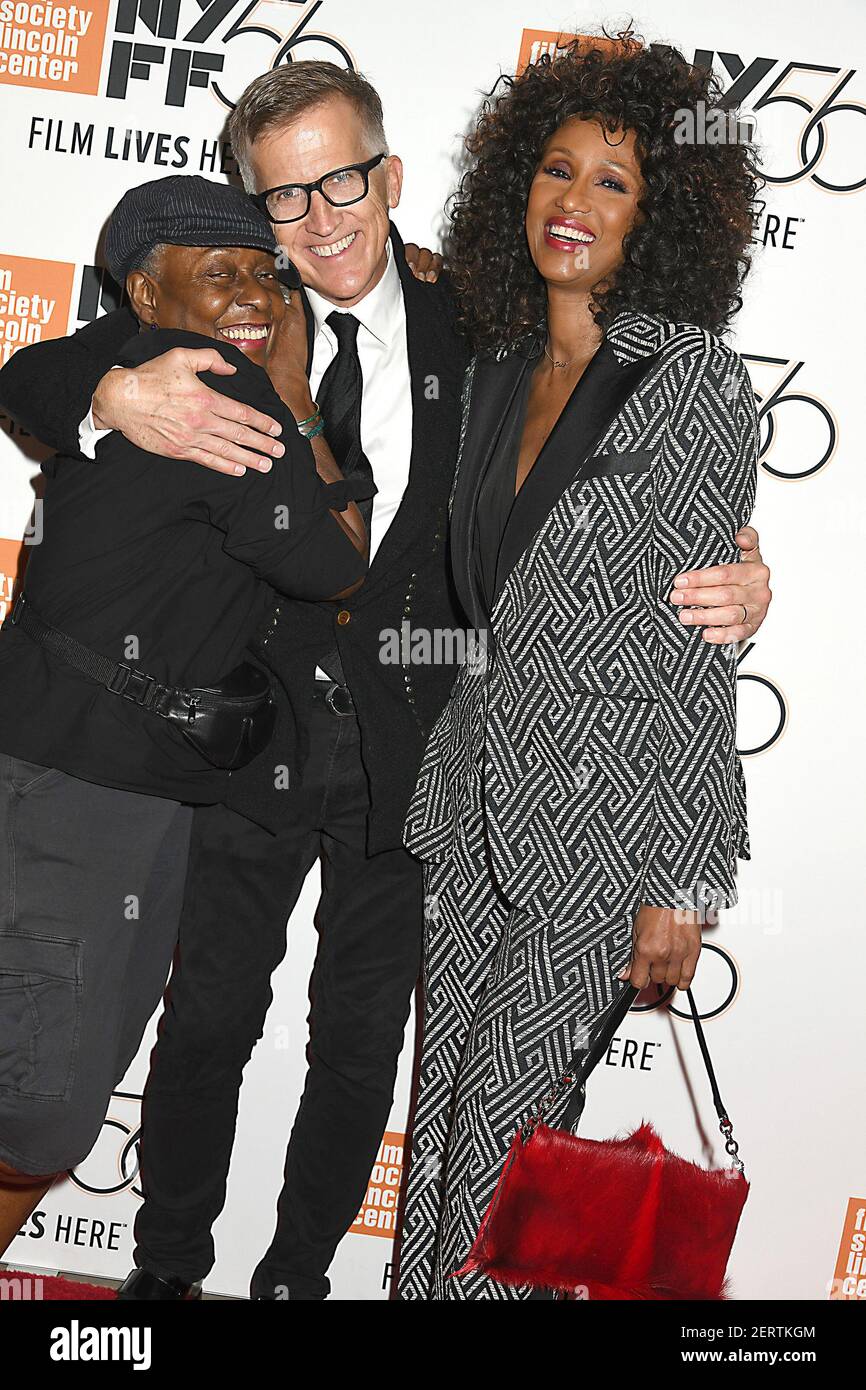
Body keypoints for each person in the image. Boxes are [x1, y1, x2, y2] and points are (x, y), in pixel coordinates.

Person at [0, 62, 772, 1303]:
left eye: (341, 182)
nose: (319, 220)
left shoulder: (488, 324)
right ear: (254, 212)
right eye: (285, 199)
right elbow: (38, 372)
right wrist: (105, 387)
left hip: (423, 759)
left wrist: (739, 577)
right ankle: (163, 1278)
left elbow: (607, 514)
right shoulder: (225, 319)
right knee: (204, 1031)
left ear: (389, 179)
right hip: (250, 742)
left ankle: (298, 1281)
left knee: (362, 1050)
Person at [397, 36, 764, 1300]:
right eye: (557, 170)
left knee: (506, 1161)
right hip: (469, 809)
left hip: (602, 837)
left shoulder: (693, 383)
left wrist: (681, 877)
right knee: (443, 1123)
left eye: (614, 180)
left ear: (660, 212)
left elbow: (694, 650)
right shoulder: (487, 368)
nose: (574, 201)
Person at [0, 173, 369, 1260]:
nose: (255, 290)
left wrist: (102, 388)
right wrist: (298, 400)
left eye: (264, 269)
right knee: (41, 1109)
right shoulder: (228, 395)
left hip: (65, 768)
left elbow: (30, 375)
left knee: (36, 1100)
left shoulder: (118, 372)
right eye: (220, 273)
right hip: (92, 800)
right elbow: (331, 562)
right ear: (142, 289)